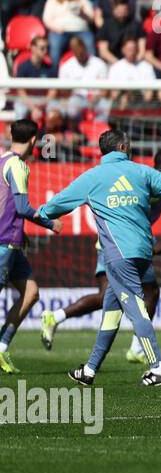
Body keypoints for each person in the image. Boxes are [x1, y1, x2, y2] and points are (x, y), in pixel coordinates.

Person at [40, 130, 161, 386]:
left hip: (118, 256)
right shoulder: (142, 172)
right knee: (111, 311)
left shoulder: (91, 178)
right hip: (143, 252)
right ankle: (89, 370)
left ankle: (158, 367)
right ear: (123, 146)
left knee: (136, 311)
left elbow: (55, 204)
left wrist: (38, 216)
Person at [40, 149, 161, 362]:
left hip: (125, 246)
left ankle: (134, 349)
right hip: (116, 246)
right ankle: (58, 319)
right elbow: (130, 218)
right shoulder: (150, 187)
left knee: (148, 292)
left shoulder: (152, 183)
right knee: (109, 297)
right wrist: (153, 244)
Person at [0, 120, 63, 374]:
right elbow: (24, 207)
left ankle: (2, 348)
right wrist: (51, 223)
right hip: (4, 243)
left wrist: (19, 230)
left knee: (31, 293)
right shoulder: (17, 165)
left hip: (12, 241)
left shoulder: (3, 159)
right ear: (35, 141)